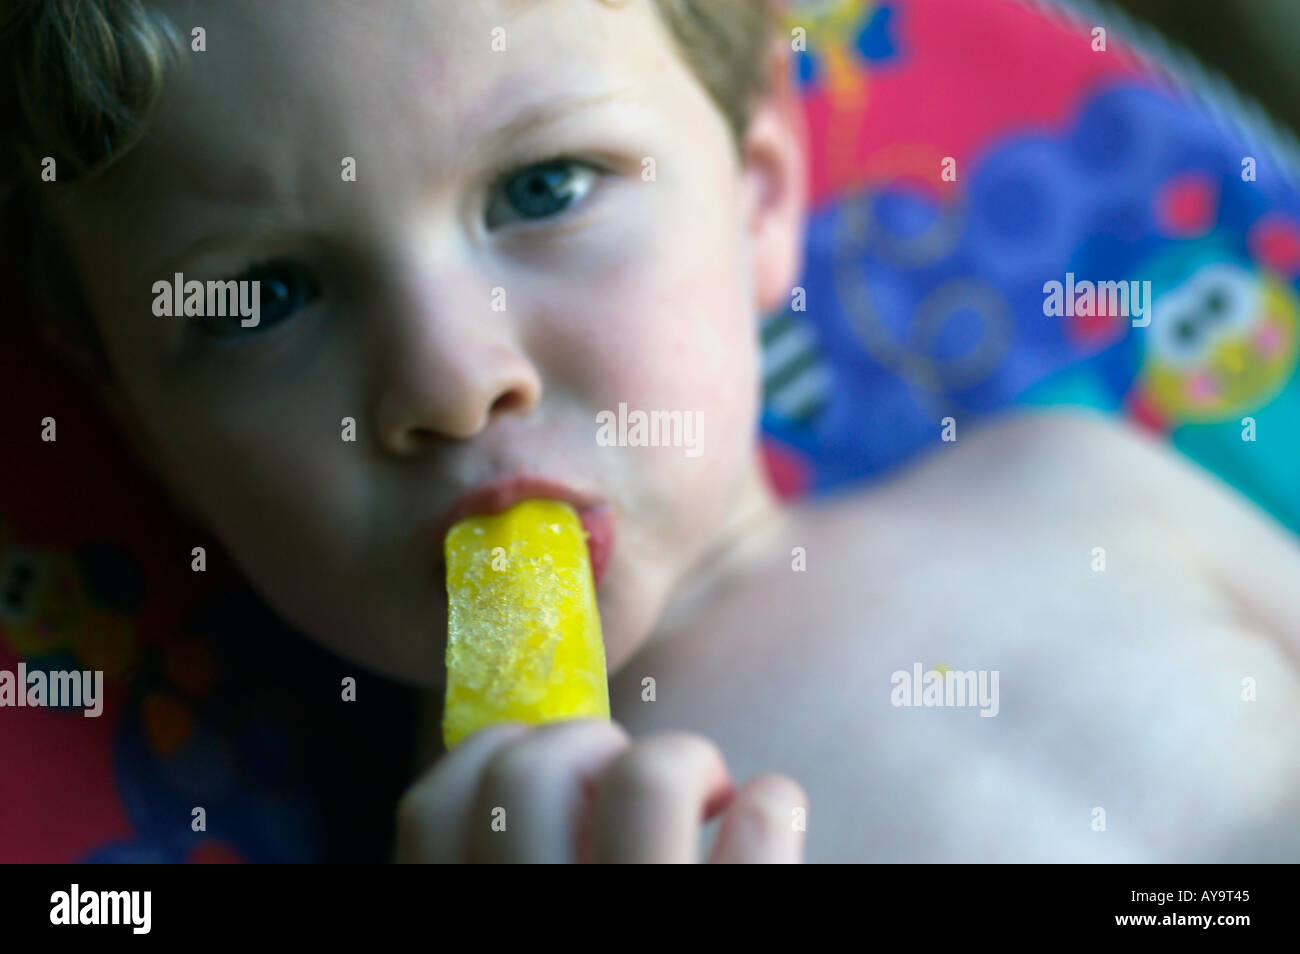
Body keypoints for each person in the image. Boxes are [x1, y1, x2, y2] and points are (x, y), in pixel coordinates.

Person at [3, 0, 1297, 863]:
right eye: (264, 297)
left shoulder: (1076, 488)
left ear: (758, 202)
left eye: (543, 187)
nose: (456, 381)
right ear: (147, 430)